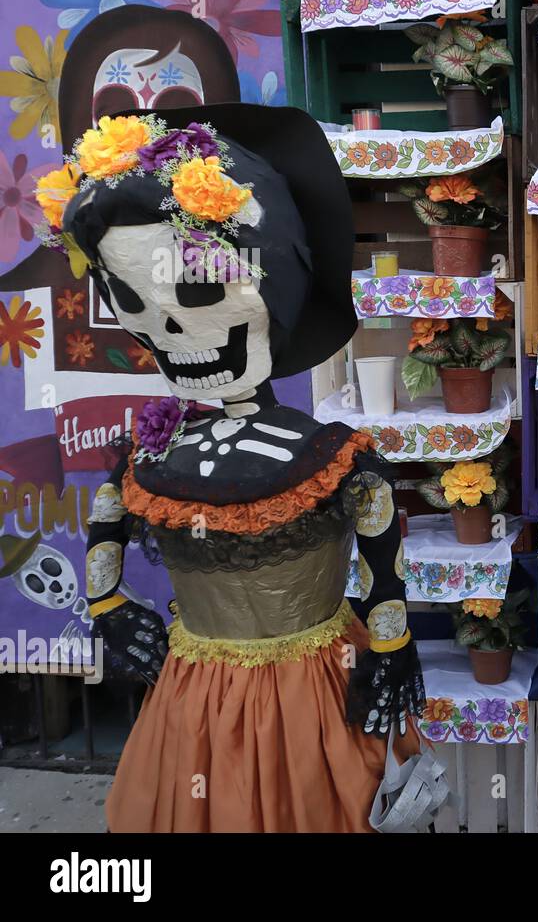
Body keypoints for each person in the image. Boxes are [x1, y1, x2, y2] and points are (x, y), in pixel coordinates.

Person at [39, 104, 423, 831]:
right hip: (196, 696)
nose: (170, 330)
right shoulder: (150, 453)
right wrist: (107, 607)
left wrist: (393, 650)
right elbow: (108, 516)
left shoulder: (333, 458)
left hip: (316, 692)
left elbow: (382, 557)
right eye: (137, 303)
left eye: (200, 294)